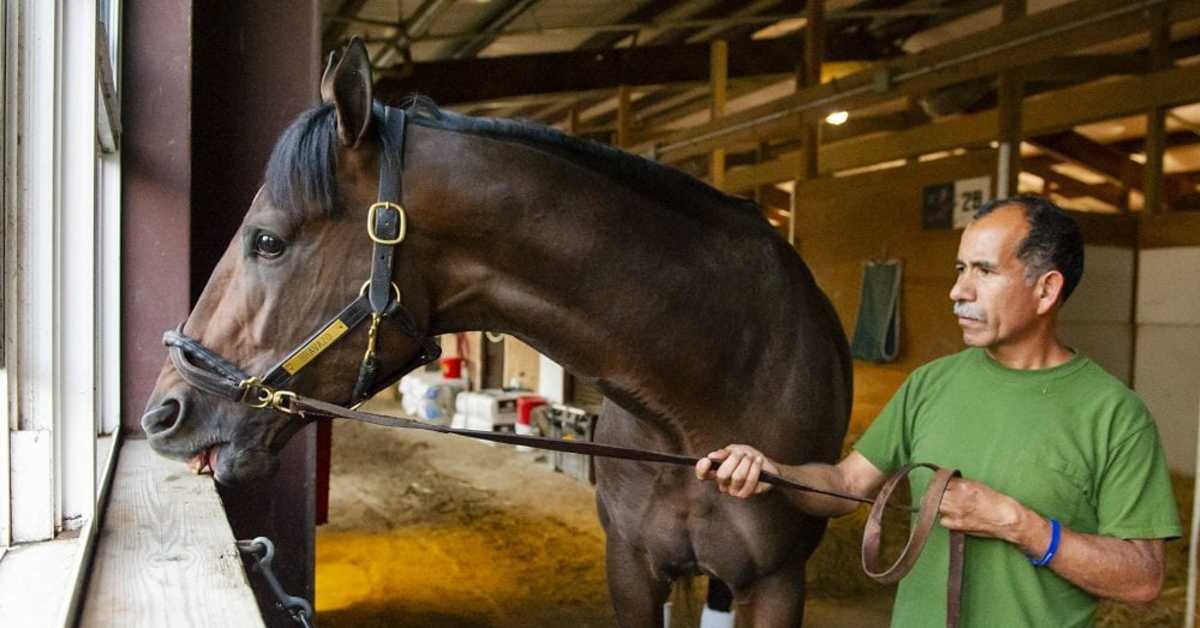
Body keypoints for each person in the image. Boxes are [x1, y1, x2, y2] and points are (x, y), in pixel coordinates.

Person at [695, 195, 1180, 627]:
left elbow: (1143, 579)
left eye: (984, 272)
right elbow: (845, 485)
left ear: (1046, 290)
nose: (958, 291)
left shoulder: (1115, 415)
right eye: (960, 269)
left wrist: (1017, 524)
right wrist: (774, 472)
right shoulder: (930, 383)